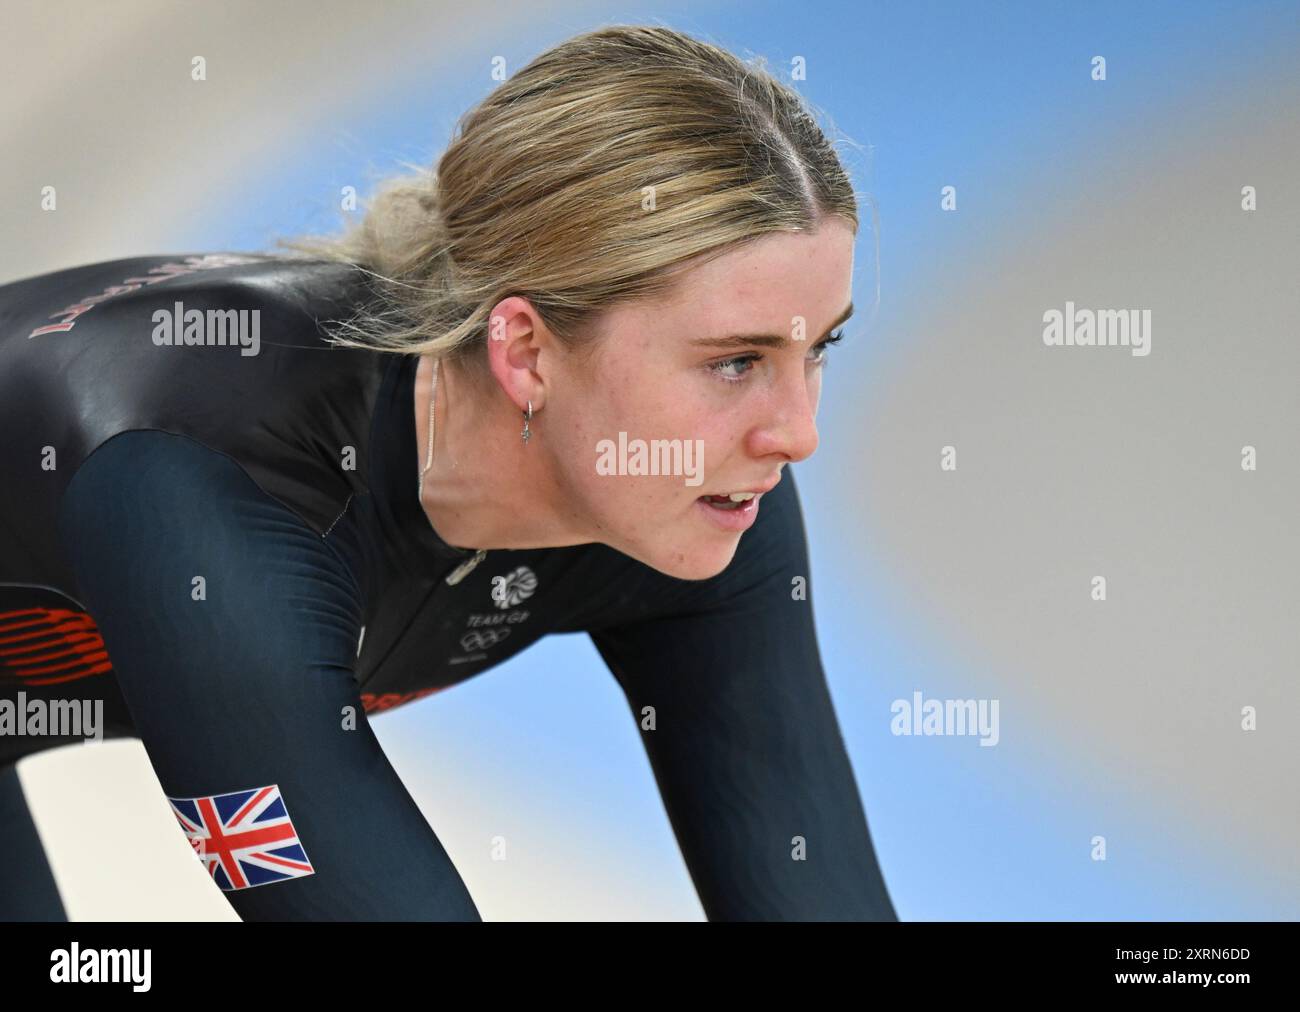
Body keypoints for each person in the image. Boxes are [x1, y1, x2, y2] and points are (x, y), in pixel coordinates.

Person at [0, 24, 895, 921]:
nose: (798, 434)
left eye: (818, 348)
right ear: (526, 352)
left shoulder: (690, 488)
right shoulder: (212, 491)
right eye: (736, 362)